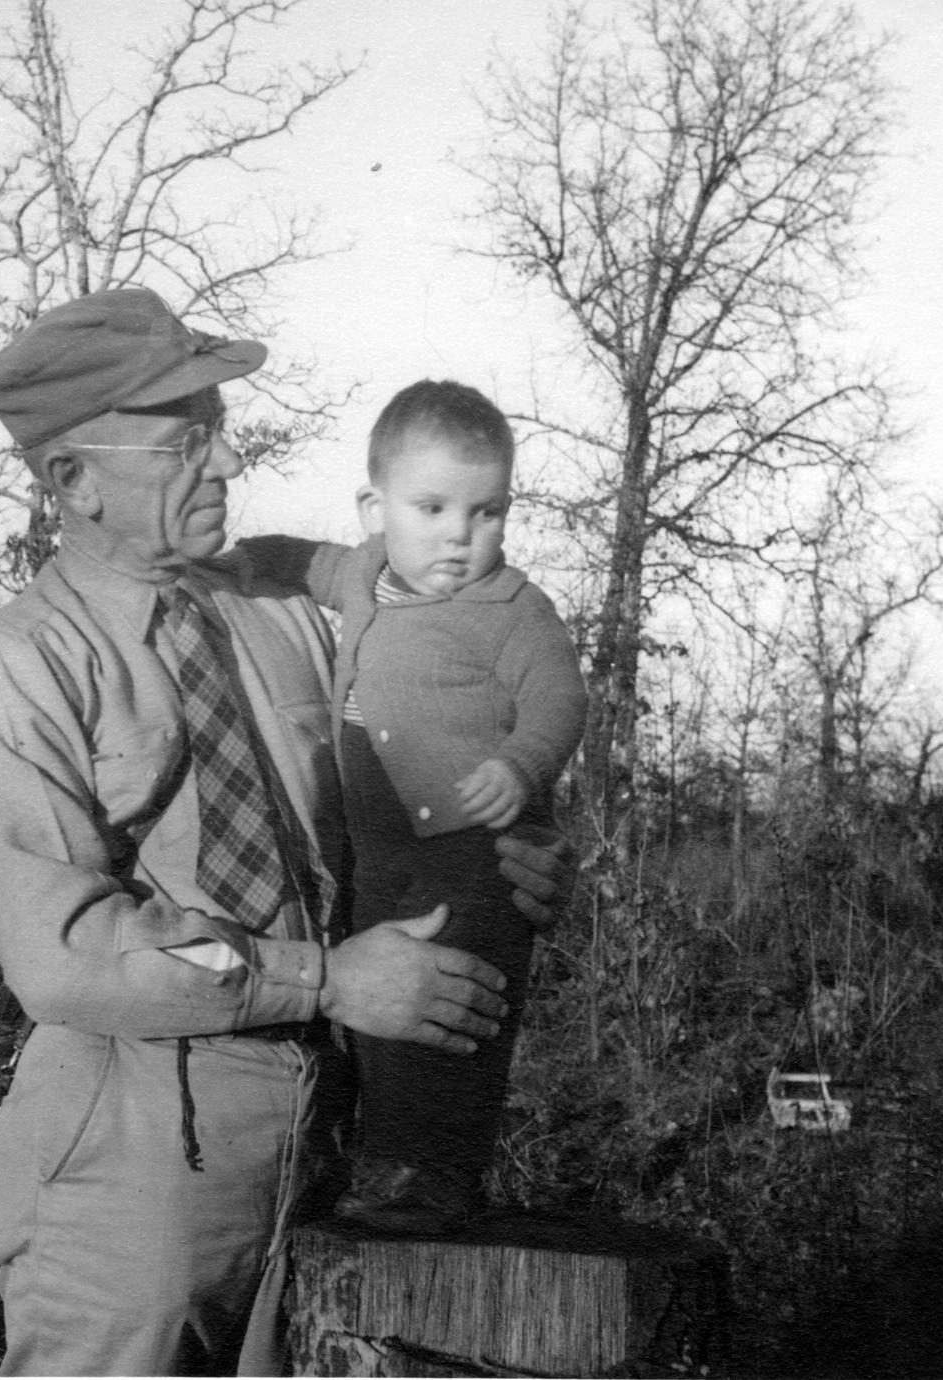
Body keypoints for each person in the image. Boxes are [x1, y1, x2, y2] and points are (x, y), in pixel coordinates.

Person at [0, 289, 575, 1378]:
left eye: (219, 430)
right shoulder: (15, 668)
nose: (227, 462)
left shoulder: (279, 617)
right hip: (126, 1184)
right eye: (185, 442)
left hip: (320, 1155)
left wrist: (508, 851)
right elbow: (68, 953)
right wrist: (326, 979)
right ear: (73, 480)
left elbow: (402, 786)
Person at [239, 379, 587, 1234]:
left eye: (485, 512)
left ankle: (433, 1175)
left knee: (452, 1006)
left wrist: (521, 764)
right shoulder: (363, 573)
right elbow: (300, 560)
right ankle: (374, 1162)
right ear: (375, 509)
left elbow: (558, 698)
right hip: (377, 850)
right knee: (376, 1005)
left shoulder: (513, 609)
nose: (459, 535)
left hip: (470, 852)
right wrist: (236, 562)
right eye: (431, 508)